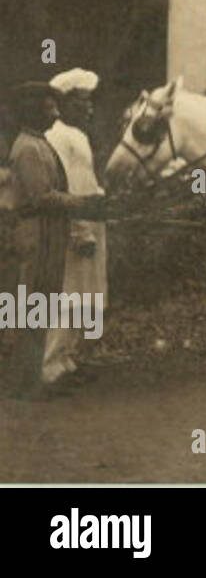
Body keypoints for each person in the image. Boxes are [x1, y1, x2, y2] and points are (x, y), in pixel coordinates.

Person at [4, 82, 104, 401]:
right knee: (34, 306)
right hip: (35, 233)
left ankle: (35, 377)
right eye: (50, 108)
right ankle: (27, 381)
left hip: (48, 231)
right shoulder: (27, 148)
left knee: (44, 304)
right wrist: (82, 203)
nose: (56, 114)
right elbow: (41, 196)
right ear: (33, 111)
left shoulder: (39, 143)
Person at [43, 68, 109, 387]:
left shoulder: (79, 136)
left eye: (91, 101)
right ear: (66, 103)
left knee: (86, 295)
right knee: (68, 293)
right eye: (83, 101)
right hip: (74, 228)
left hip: (92, 222)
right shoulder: (57, 136)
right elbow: (68, 187)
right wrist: (80, 231)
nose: (90, 107)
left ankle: (67, 357)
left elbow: (88, 182)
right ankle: (49, 364)